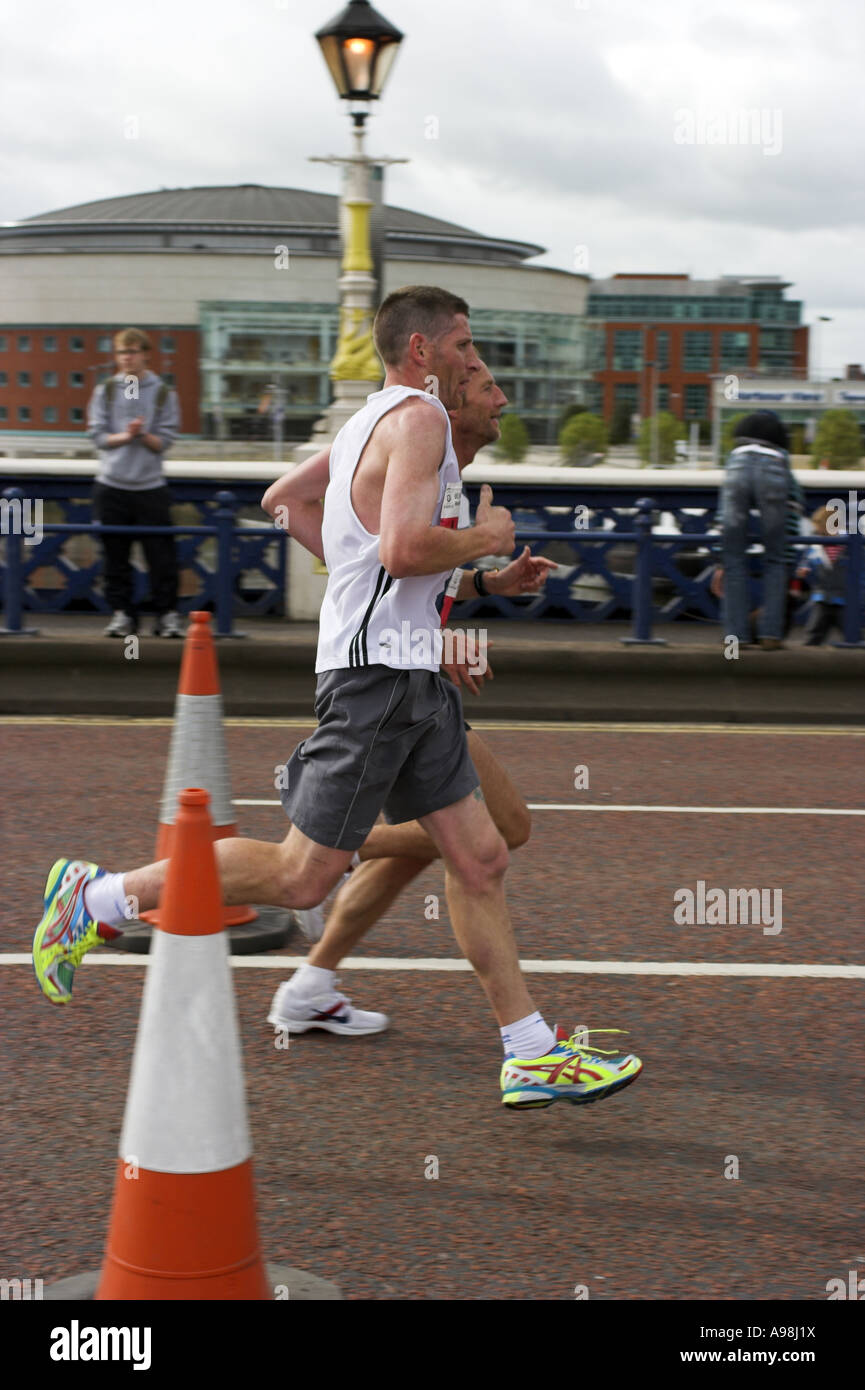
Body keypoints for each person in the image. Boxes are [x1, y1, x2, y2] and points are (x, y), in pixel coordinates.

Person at [33, 285, 642, 1112]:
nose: (473, 358)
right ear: (421, 351)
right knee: (298, 877)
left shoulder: (364, 422)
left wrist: (451, 586)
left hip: (407, 670)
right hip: (379, 679)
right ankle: (96, 897)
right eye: (462, 343)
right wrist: (485, 541)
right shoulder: (420, 419)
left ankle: (530, 1052)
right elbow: (398, 547)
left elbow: (285, 500)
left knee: (482, 857)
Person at [261, 362, 556, 1037]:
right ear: (451, 400)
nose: (500, 395)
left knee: (484, 837)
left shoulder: (438, 465)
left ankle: (313, 977)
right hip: (383, 674)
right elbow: (294, 505)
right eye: (486, 385)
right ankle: (342, 854)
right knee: (477, 841)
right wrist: (390, 596)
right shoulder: (411, 435)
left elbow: (402, 569)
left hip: (410, 670)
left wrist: (484, 586)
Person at [87, 328, 184, 638]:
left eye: (132, 351)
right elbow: (98, 437)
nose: (126, 358)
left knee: (161, 558)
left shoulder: (163, 392)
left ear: (145, 354)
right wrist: (127, 435)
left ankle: (166, 616)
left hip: (150, 487)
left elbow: (164, 442)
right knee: (115, 558)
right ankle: (122, 616)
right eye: (121, 353)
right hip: (111, 486)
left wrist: (142, 435)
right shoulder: (106, 390)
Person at [719, 410, 793, 649]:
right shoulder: (779, 445)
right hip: (772, 467)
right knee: (775, 558)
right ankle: (770, 634)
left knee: (733, 558)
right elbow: (792, 489)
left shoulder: (738, 445)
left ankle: (735, 637)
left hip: (737, 467)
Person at [797, 505, 857, 645]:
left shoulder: (851, 543)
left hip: (845, 599)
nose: (816, 530)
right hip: (822, 597)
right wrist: (803, 569)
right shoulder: (815, 544)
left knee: (852, 635)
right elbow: (805, 561)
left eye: (819, 526)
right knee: (813, 634)